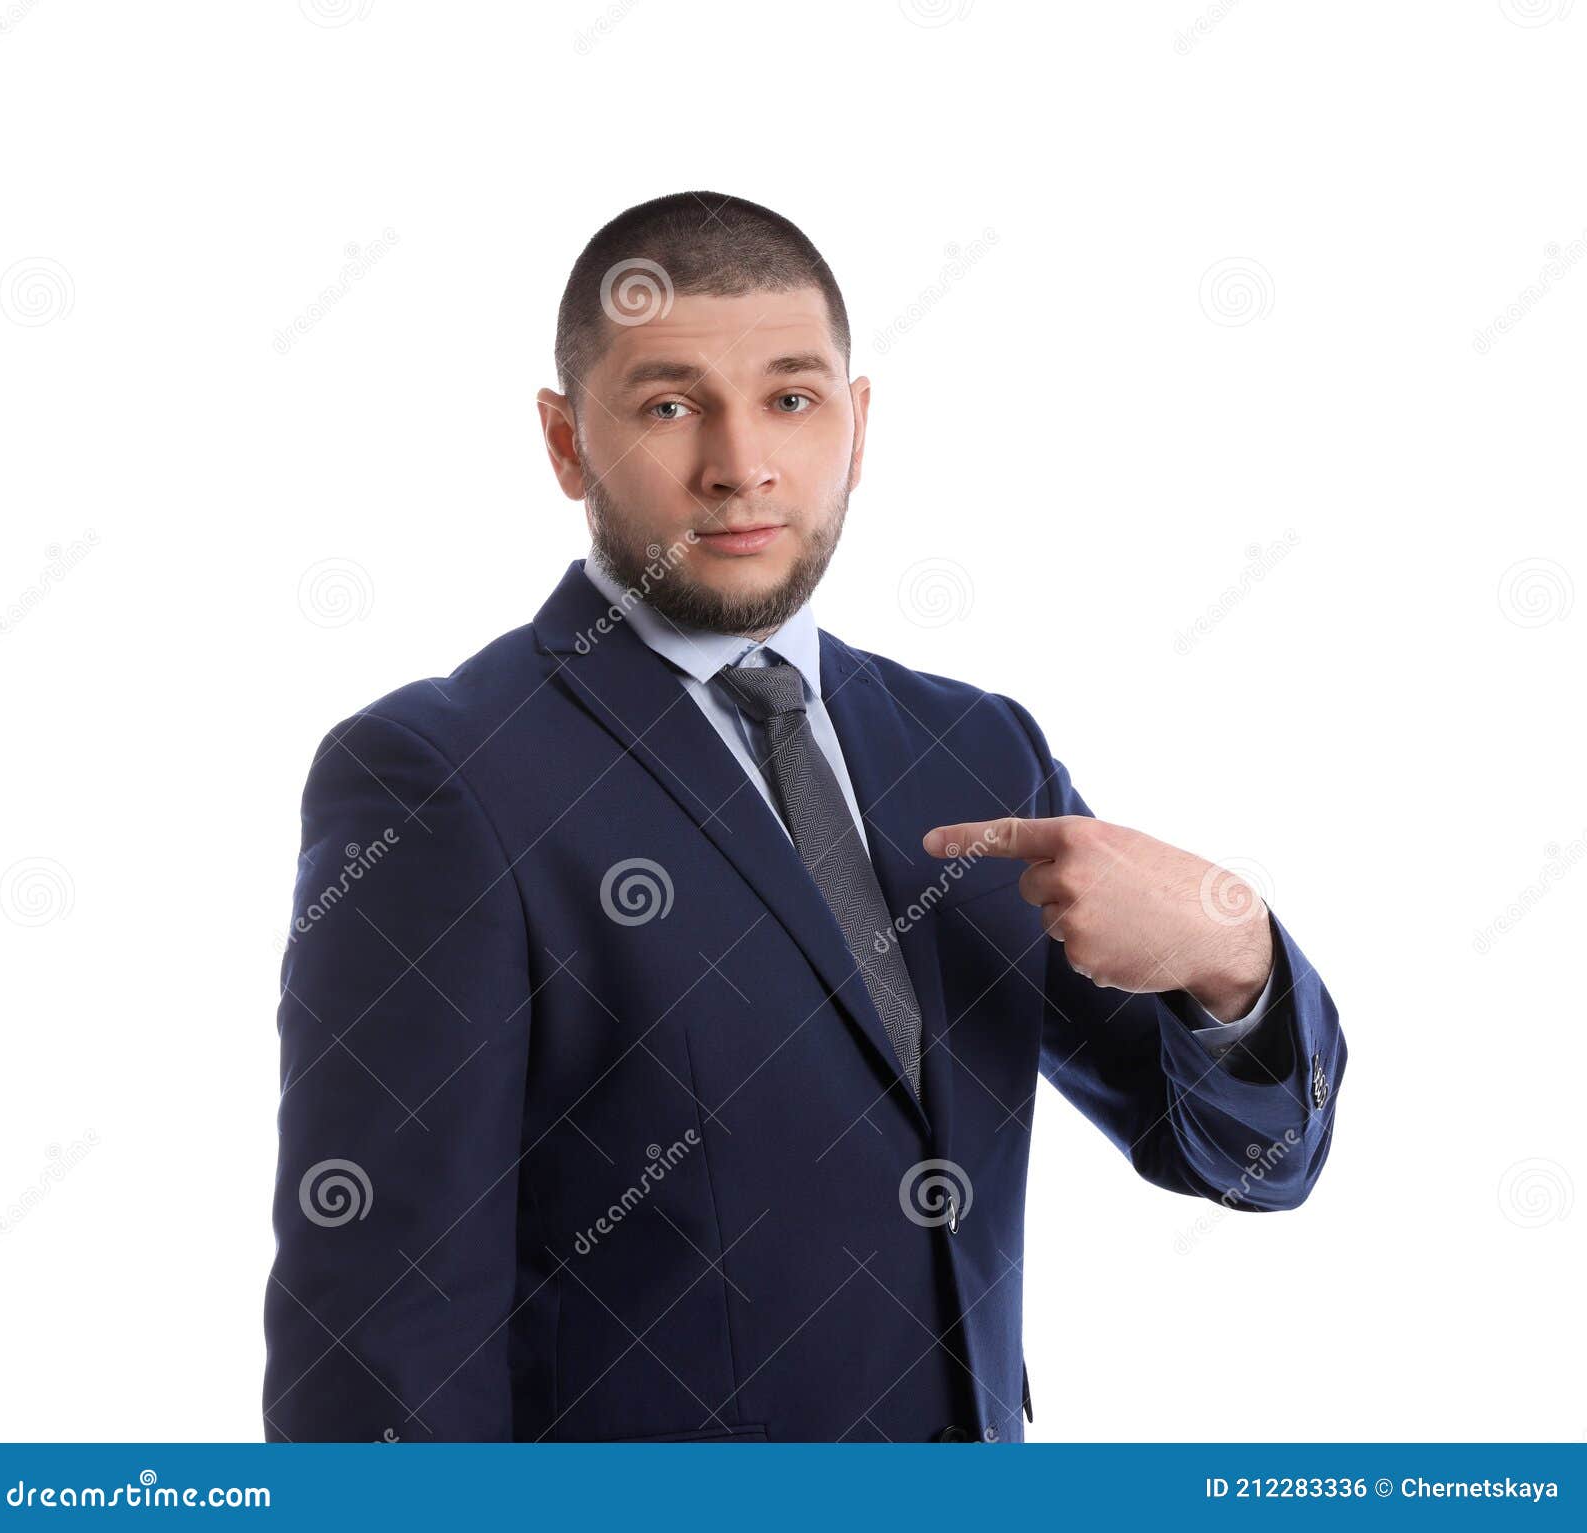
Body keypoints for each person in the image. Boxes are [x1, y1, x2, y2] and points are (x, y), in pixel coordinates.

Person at [262, 191, 1345, 1444]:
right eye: (670, 407)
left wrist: (1231, 953)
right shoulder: (440, 777)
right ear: (565, 444)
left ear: (858, 421)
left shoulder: (975, 749)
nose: (741, 465)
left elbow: (1254, 1166)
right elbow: (381, 1338)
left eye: (790, 399)